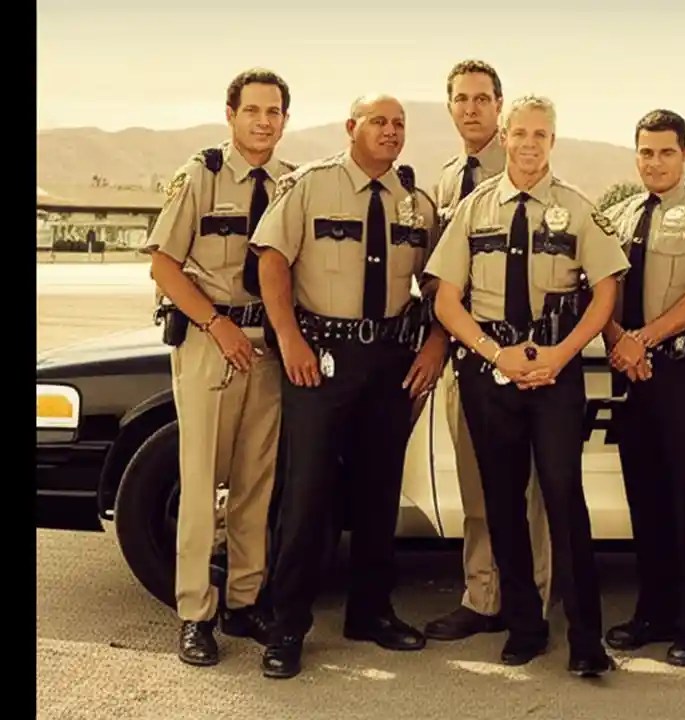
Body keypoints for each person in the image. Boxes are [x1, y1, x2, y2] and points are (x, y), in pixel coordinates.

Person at [427, 94, 629, 677]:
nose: (530, 143)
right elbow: (446, 298)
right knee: (504, 505)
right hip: (492, 371)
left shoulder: (576, 207)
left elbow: (606, 290)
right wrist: (495, 354)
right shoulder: (474, 209)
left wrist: (564, 354)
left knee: (565, 501)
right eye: (521, 133)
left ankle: (588, 642)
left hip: (556, 370)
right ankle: (525, 628)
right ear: (506, 138)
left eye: (542, 134)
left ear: (552, 141)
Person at [249, 93, 448, 680]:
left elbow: (438, 282)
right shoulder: (311, 186)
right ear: (351, 127)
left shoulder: (416, 202)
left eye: (399, 124)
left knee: (379, 491)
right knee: (306, 495)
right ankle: (286, 625)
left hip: (389, 358)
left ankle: (370, 611)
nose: (390, 132)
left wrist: (436, 342)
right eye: (379, 121)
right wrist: (287, 339)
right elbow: (271, 260)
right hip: (320, 356)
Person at [143, 67, 294, 667]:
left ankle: (245, 598)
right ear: (230, 114)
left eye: (274, 112)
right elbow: (163, 264)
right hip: (211, 336)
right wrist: (218, 325)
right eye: (253, 110)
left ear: (285, 119)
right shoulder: (200, 175)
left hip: (270, 341)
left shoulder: (290, 184)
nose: (263, 121)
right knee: (202, 477)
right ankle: (195, 614)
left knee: (258, 481)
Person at [423, 59, 554, 642]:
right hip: (466, 355)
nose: (471, 108)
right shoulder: (448, 180)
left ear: (500, 109)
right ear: (449, 106)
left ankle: (533, 603)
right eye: (461, 98)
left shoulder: (529, 166)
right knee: (478, 485)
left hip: (525, 358)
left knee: (528, 492)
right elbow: (436, 275)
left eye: (482, 98)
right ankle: (483, 596)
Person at [602, 109, 685, 667]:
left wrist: (645, 339)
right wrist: (620, 341)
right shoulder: (617, 217)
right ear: (636, 156)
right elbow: (599, 288)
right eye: (646, 152)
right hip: (630, 372)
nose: (655, 162)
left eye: (665, 152)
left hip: (680, 372)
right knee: (645, 495)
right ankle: (652, 611)